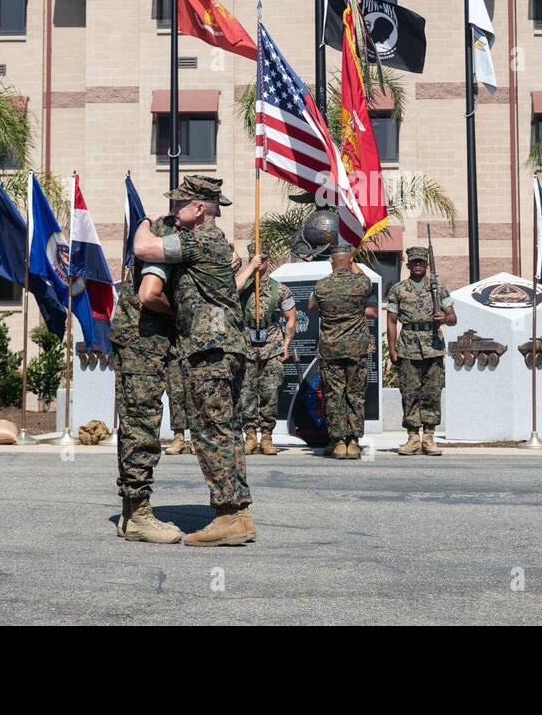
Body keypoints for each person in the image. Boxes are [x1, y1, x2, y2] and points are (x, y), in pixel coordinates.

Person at [133, 175, 254, 546]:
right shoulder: (215, 244)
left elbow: (143, 249)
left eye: (180, 203)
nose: (173, 209)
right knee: (227, 432)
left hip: (209, 352)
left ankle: (227, 516)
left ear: (200, 209)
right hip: (223, 348)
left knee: (210, 433)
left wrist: (141, 220)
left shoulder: (200, 240)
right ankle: (238, 512)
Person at [108, 211, 183, 544]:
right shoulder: (167, 240)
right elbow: (150, 294)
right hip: (143, 342)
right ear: (196, 209)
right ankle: (138, 515)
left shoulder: (155, 231)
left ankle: (130, 512)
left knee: (135, 423)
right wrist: (179, 312)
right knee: (142, 424)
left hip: (136, 341)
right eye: (211, 210)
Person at [386, 246, 456, 456]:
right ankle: (413, 438)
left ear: (427, 264)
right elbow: (391, 321)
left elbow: (453, 317)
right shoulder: (398, 290)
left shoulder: (439, 288)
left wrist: (443, 318)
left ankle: (429, 437)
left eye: (421, 262)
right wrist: (392, 349)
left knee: (432, 393)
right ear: (408, 264)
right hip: (408, 347)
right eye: (414, 262)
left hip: (433, 347)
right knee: (409, 393)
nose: (417, 265)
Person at [308, 245, 376, 459]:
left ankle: (338, 442)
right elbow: (365, 279)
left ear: (331, 262)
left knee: (334, 394)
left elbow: (311, 307)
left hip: (331, 348)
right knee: (355, 394)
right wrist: (352, 264)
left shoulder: (321, 286)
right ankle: (353, 442)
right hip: (356, 348)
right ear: (348, 261)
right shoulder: (361, 283)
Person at [236, 244, 296, 455]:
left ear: (267, 261)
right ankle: (250, 436)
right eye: (255, 259)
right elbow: (231, 290)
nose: (259, 264)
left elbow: (291, 319)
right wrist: (249, 269)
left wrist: (286, 344)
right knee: (246, 394)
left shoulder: (279, 289)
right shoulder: (242, 286)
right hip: (246, 347)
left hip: (271, 345)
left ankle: (268, 436)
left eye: (262, 260)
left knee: (270, 393)